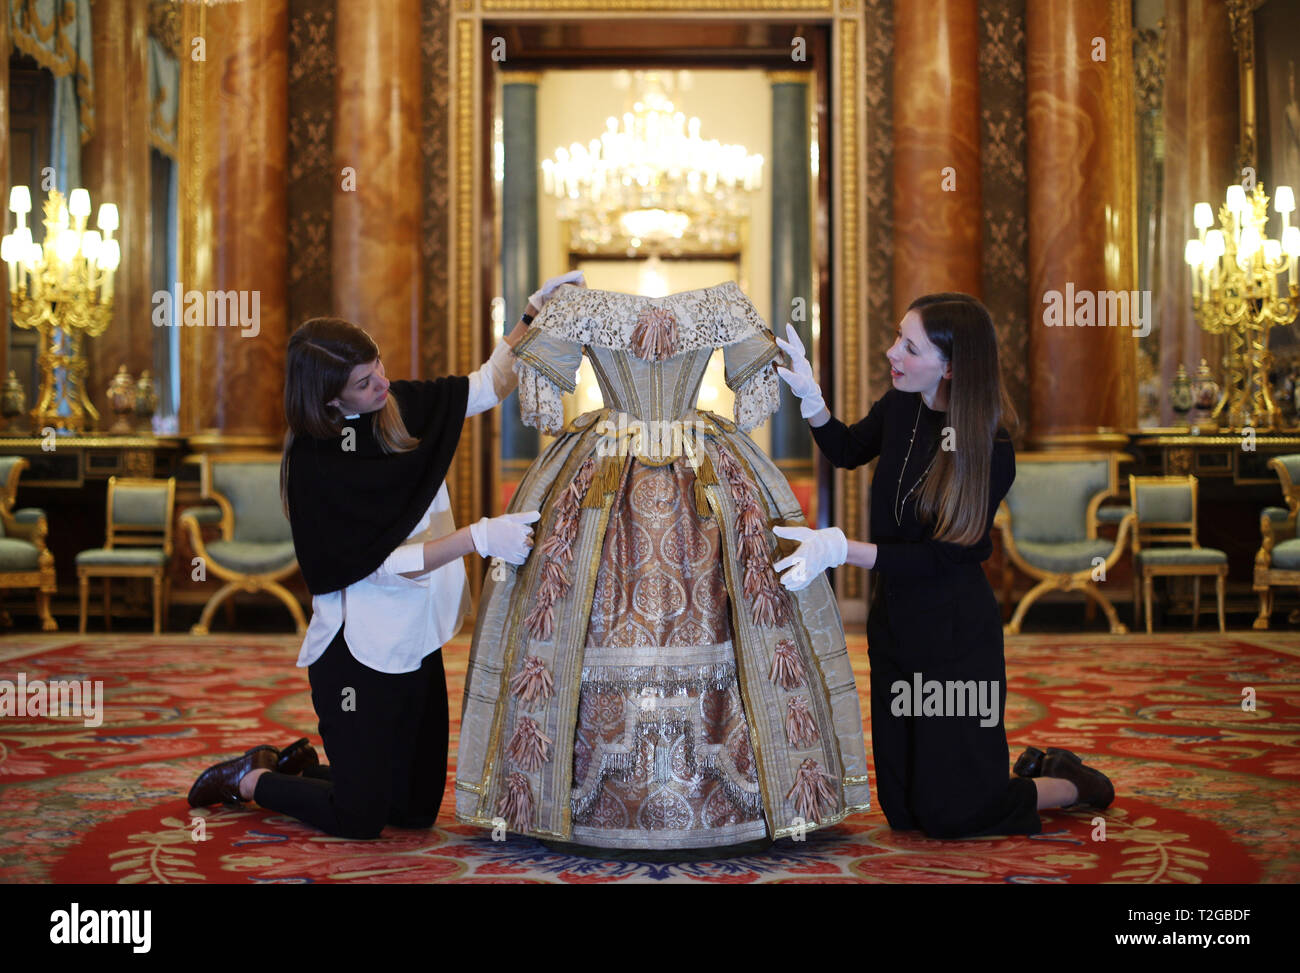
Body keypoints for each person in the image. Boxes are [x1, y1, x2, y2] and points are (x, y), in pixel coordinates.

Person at [454, 280, 871, 859]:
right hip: (688, 461)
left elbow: (543, 400)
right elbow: (755, 393)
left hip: (607, 459)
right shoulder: (723, 303)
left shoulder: (584, 307)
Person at [184, 272, 584, 839]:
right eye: (367, 382)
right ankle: (250, 779)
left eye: (380, 369)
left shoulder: (391, 406)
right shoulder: (318, 466)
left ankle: (311, 768)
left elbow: (488, 385)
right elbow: (382, 563)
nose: (384, 384)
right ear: (329, 399)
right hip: (357, 654)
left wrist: (531, 316)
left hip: (414, 638)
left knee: (414, 813)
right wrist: (477, 538)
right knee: (361, 818)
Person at [770, 292, 1113, 839]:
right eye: (896, 337)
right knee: (905, 810)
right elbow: (848, 448)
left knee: (954, 814)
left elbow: (944, 555)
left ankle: (1073, 784)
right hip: (896, 621)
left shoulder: (989, 445)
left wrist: (844, 550)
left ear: (951, 365)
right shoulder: (900, 405)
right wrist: (812, 399)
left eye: (909, 345)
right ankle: (1013, 780)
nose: (892, 353)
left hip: (954, 634)